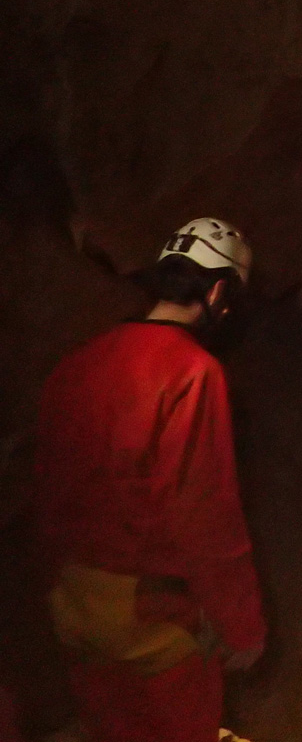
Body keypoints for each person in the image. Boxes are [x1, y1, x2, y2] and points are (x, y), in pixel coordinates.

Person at [34, 218, 265, 742]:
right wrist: (242, 626)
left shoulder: (74, 366)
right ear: (217, 290)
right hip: (154, 619)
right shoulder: (192, 371)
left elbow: (46, 491)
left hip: (75, 607)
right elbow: (205, 513)